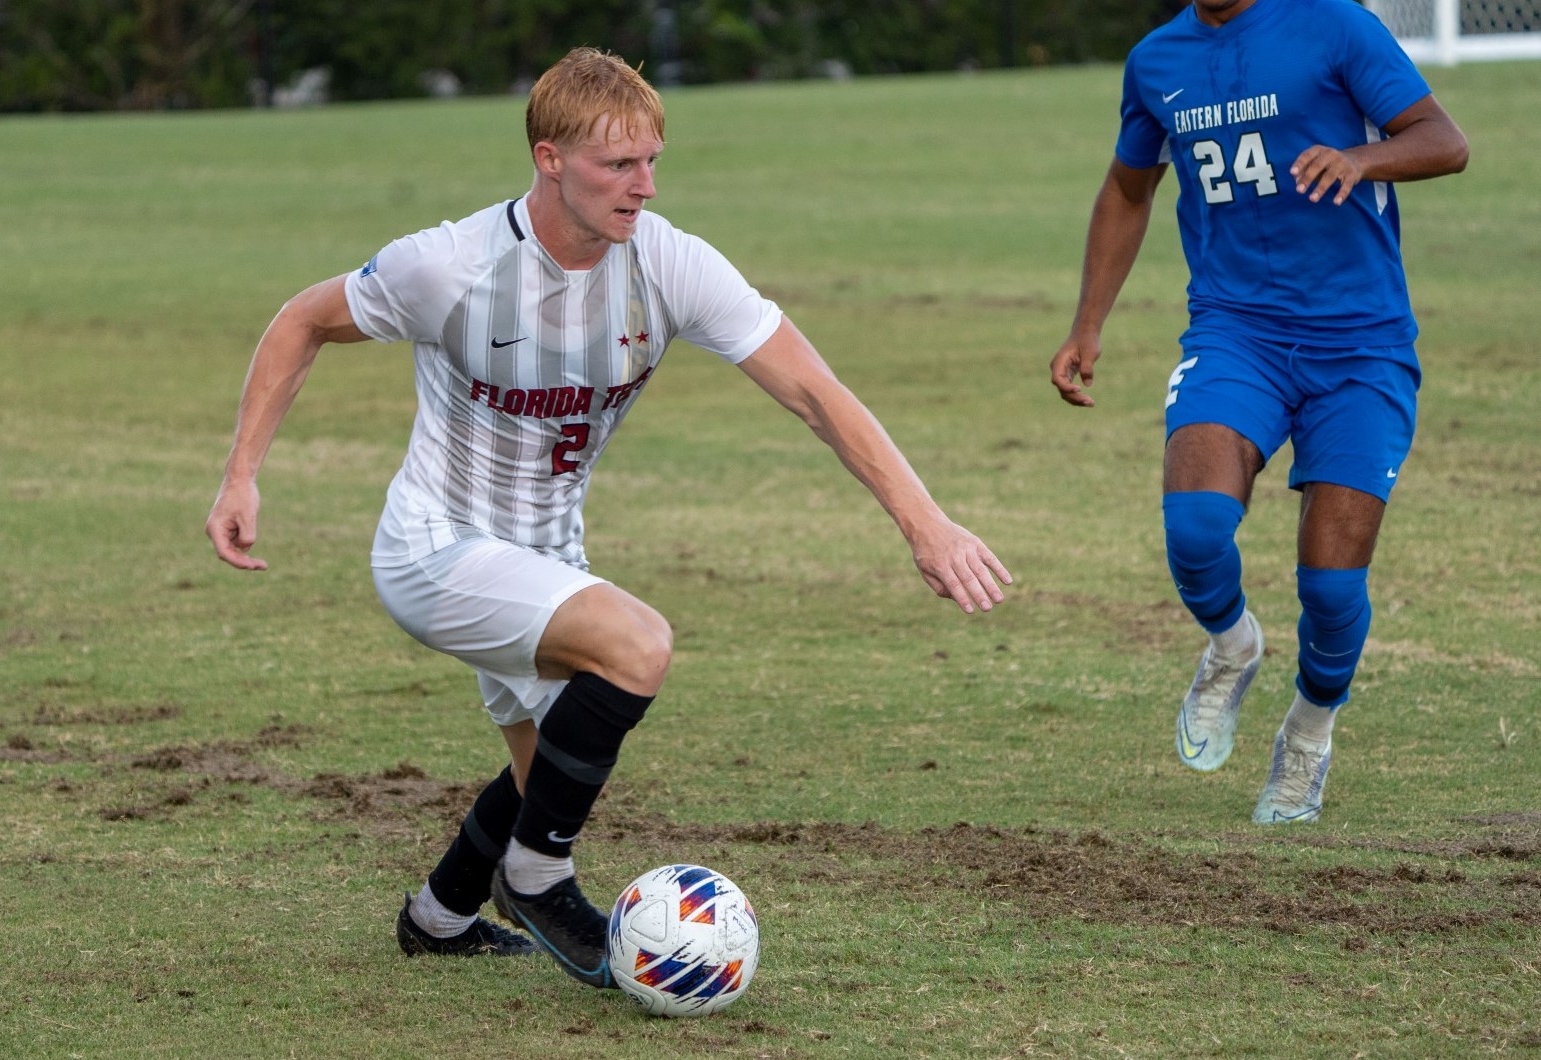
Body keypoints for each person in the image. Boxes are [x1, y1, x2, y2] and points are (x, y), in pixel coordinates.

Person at [208, 47, 1012, 986]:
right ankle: (536, 880)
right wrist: (241, 477)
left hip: (548, 551)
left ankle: (440, 915)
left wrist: (925, 523)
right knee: (635, 646)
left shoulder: (668, 264)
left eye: (652, 161)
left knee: (545, 771)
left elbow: (814, 391)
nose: (645, 186)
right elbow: (301, 320)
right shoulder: (452, 265)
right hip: (435, 548)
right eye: (618, 164)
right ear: (549, 159)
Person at [1048, 0, 1468, 824]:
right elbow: (1127, 190)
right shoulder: (1155, 60)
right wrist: (1086, 323)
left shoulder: (1334, 24)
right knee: (1195, 529)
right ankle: (1232, 646)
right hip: (1234, 332)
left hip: (1361, 346)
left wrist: (1360, 159)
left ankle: (1308, 733)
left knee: (1330, 589)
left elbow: (1443, 140)